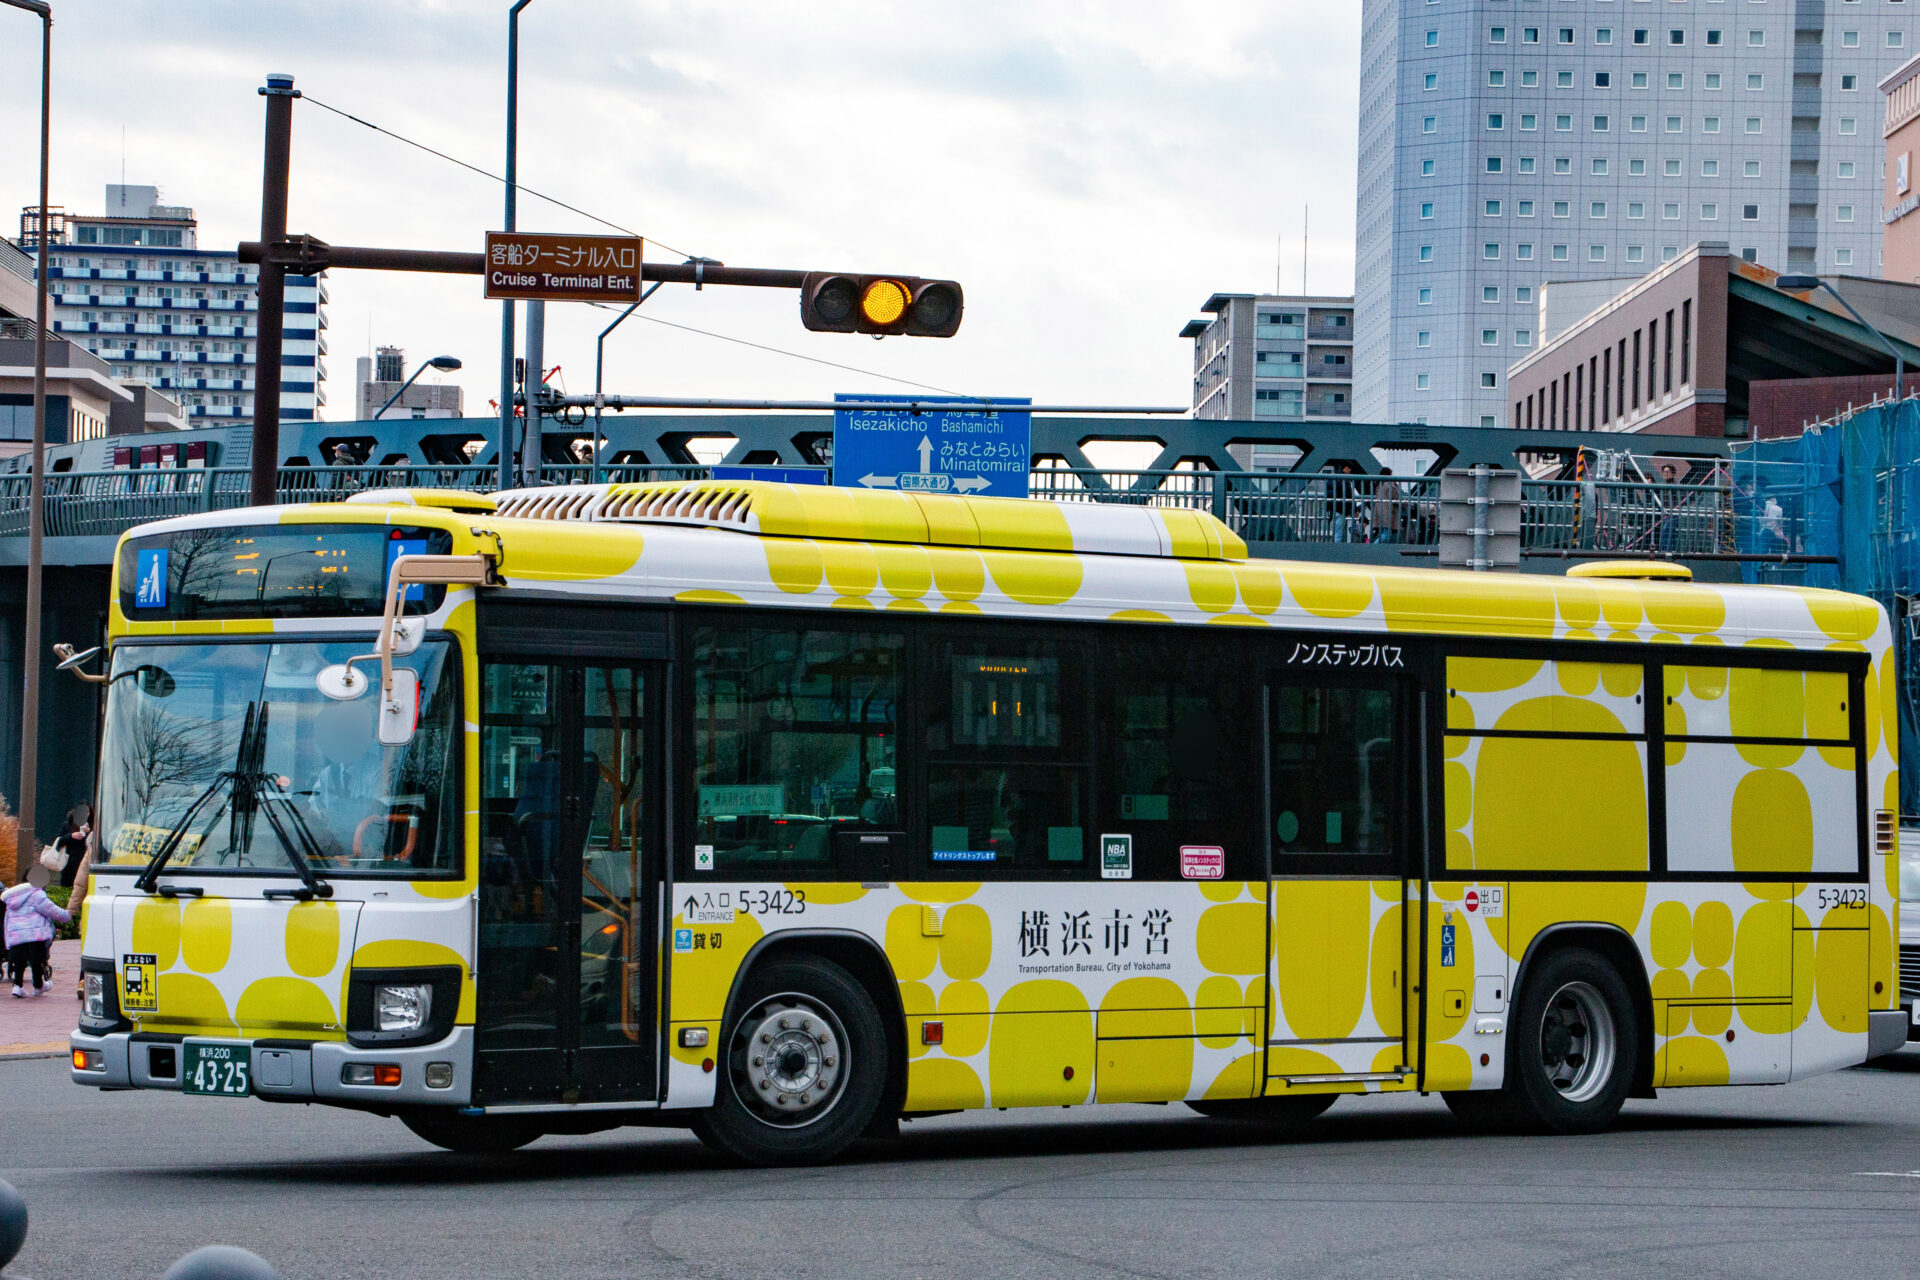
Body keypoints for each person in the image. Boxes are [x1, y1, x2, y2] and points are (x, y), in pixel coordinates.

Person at [4, 864, 71, 998]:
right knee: (36, 960)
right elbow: (51, 910)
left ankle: (18, 986)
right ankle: (38, 986)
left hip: (18, 935)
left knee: (19, 961)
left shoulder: (13, 895)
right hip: (35, 934)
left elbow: (7, 918)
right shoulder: (37, 894)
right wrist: (68, 915)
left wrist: (8, 937)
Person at [55, 804, 90, 888]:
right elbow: (59, 841)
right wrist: (71, 836)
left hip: (84, 861)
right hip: (69, 862)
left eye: (87, 812)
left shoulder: (90, 825)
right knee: (67, 886)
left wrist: (89, 832)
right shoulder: (67, 825)